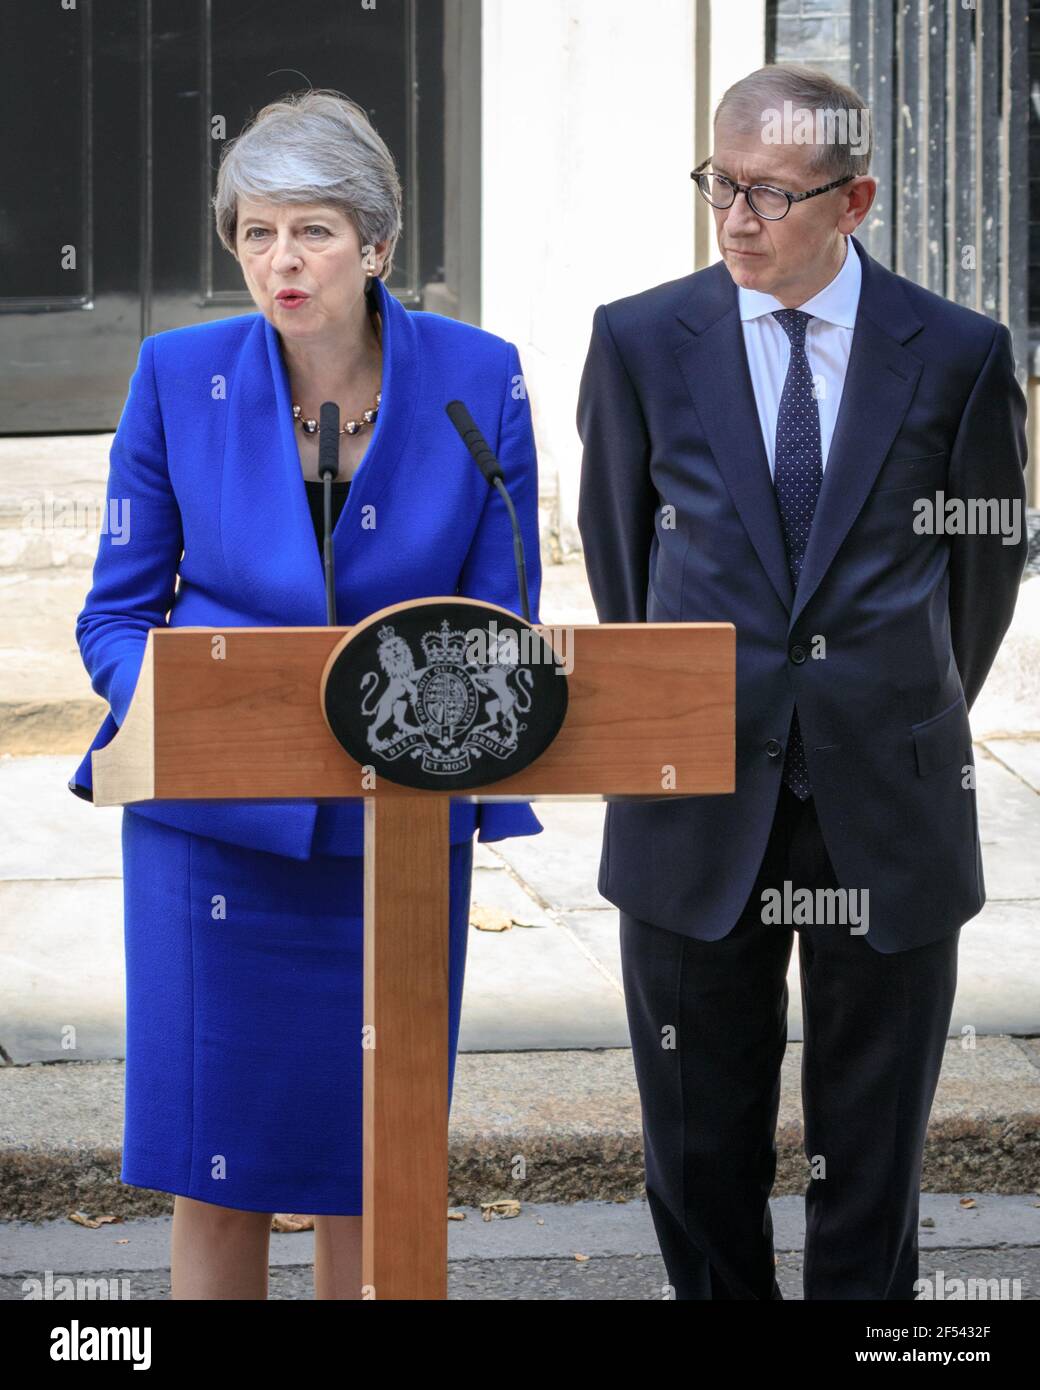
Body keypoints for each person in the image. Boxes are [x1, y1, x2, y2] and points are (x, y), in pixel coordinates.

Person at [69, 89, 543, 1299]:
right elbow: (115, 614)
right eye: (255, 232)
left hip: (393, 835)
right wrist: (200, 700)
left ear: (376, 242)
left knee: (369, 1165)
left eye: (313, 231)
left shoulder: (476, 380)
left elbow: (502, 631)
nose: (279, 260)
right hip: (210, 826)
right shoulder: (176, 375)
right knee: (214, 1172)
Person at [576, 63, 1028, 1299]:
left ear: (855, 199)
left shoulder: (956, 353)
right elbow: (623, 563)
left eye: (769, 195)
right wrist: (698, 706)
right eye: (718, 185)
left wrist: (876, 708)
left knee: (868, 1156)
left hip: (886, 803)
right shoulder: (637, 341)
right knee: (697, 1146)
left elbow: (978, 582)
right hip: (688, 800)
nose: (733, 219)